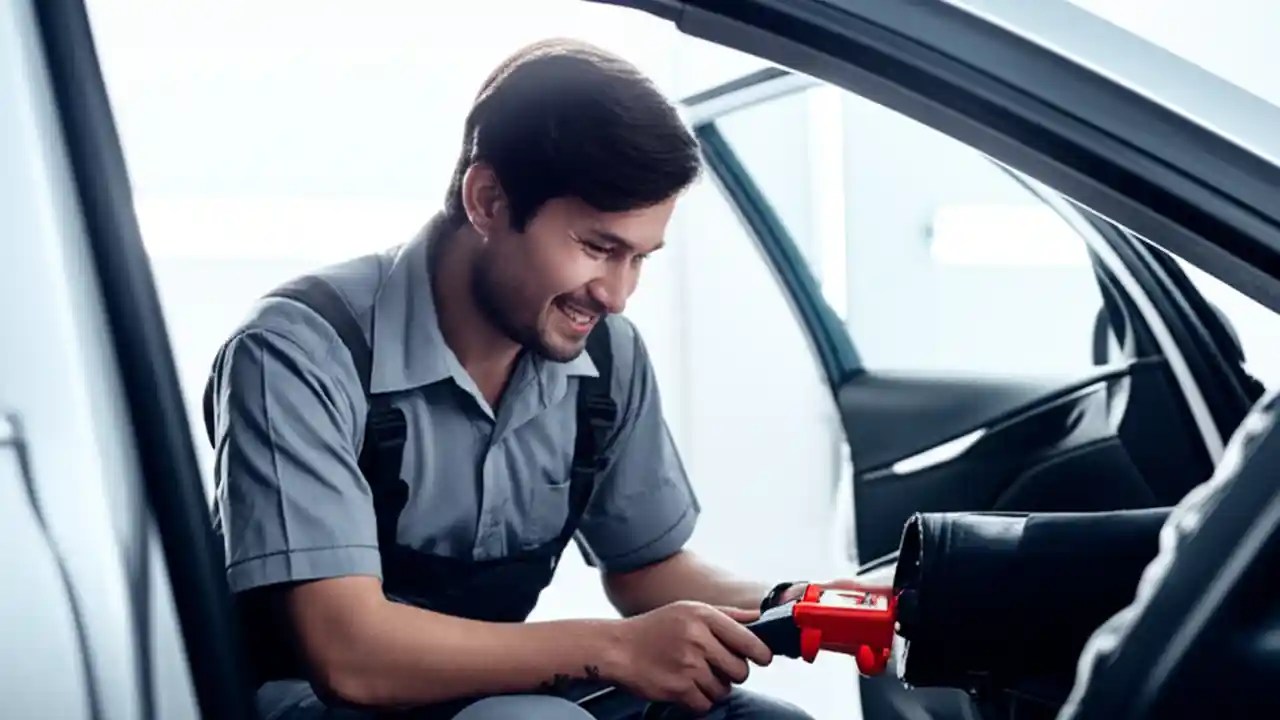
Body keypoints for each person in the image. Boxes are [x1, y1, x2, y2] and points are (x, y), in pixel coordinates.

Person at [206, 38, 852, 720]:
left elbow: (647, 573)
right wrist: (616, 648)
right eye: (598, 248)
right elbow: (350, 654)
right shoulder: (300, 351)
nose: (617, 294)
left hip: (495, 694)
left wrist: (801, 605)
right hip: (310, 702)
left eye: (640, 258)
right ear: (487, 201)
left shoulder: (607, 357)